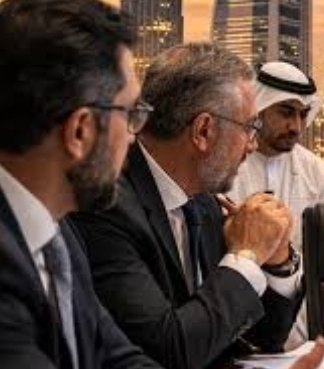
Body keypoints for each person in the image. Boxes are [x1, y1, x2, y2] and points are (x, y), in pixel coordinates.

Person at [70, 43, 310, 369]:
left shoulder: (202, 200)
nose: (253, 145)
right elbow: (169, 351)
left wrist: (277, 261)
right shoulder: (106, 206)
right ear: (203, 131)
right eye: (250, 128)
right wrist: (247, 256)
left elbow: (266, 338)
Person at [0, 0, 161, 368]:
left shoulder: (58, 236)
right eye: (130, 114)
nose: (133, 137)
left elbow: (116, 359)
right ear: (80, 131)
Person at [229, 60, 324, 346]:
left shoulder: (316, 170)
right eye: (286, 113)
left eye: (303, 114)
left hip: (301, 320)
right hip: (233, 312)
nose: (296, 126)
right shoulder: (229, 164)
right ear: (259, 108)